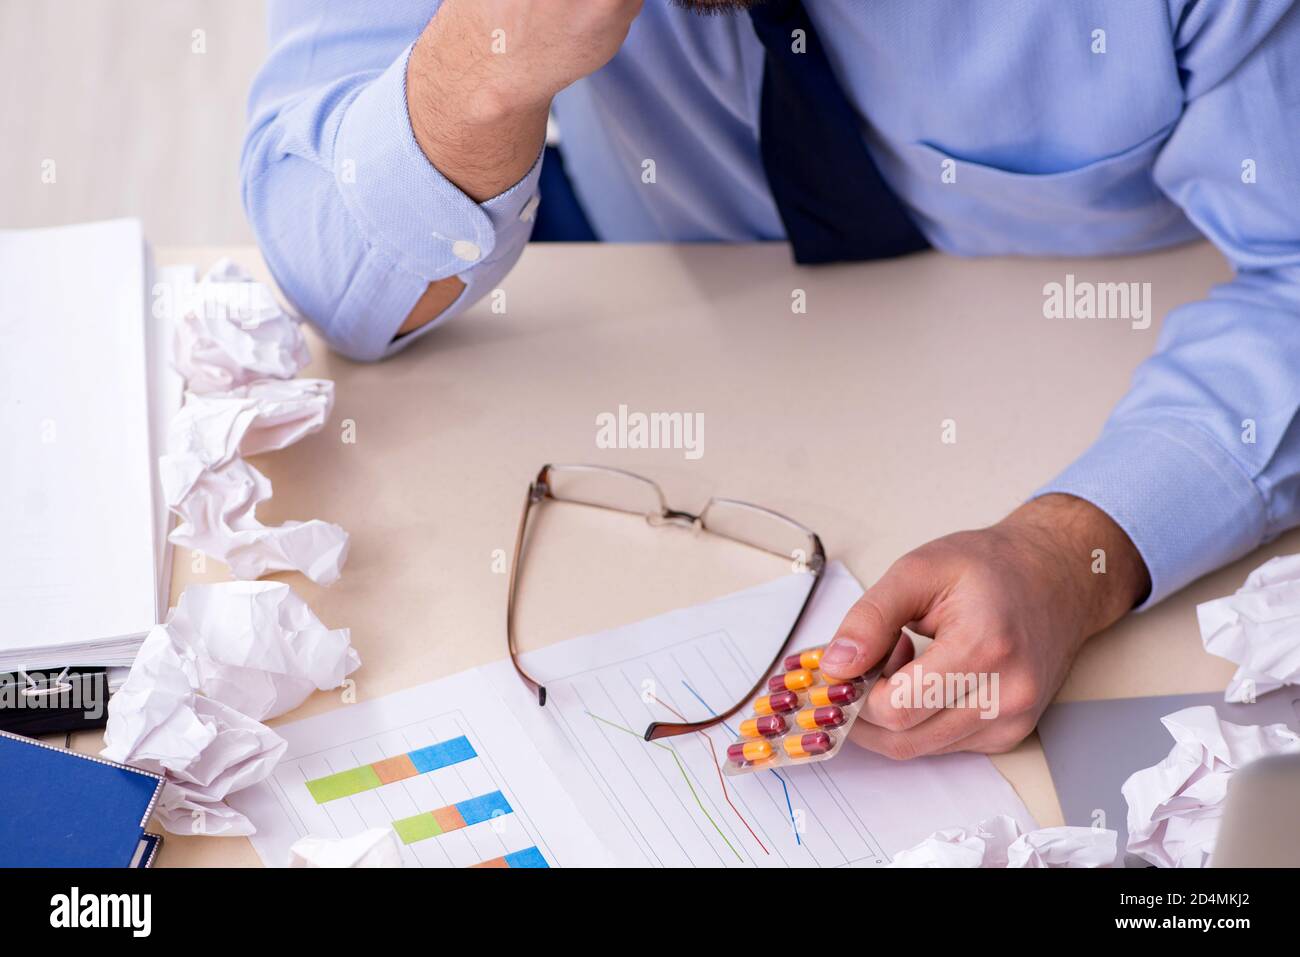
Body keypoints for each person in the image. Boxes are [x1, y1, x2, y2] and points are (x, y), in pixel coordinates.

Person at [242, 0, 1300, 760]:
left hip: (1097, 335)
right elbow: (331, 280)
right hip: (637, 264)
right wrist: (481, 63)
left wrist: (1079, 552)